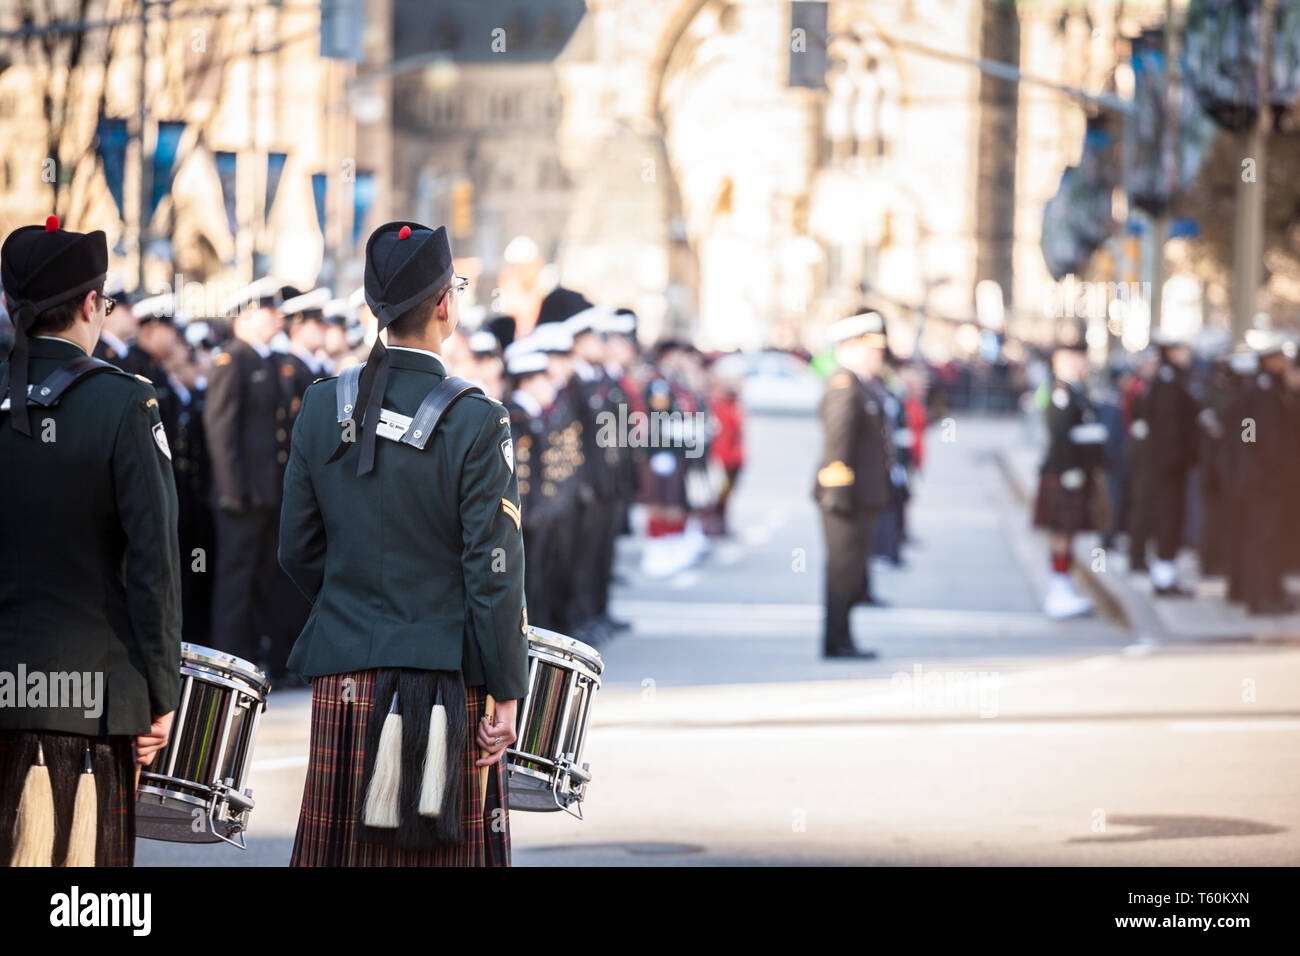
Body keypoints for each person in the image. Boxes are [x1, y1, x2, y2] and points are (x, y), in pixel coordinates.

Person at [279, 221, 528, 866]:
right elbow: (492, 569)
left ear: (372, 307)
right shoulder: (479, 418)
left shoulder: (316, 406)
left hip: (346, 673)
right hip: (448, 680)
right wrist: (505, 683)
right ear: (446, 304)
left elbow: (295, 549)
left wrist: (355, 606)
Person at [0, 217, 181, 866]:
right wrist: (161, 693)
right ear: (87, 304)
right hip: (90, 697)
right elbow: (154, 565)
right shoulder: (123, 404)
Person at [203, 279, 287, 668]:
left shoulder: (265, 359)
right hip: (240, 495)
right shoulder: (232, 359)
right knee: (235, 582)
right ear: (248, 315)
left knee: (259, 578)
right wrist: (232, 489)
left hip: (265, 492)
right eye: (271, 312)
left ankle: (250, 656)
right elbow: (220, 427)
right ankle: (229, 660)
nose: (279, 318)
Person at [813, 311, 892, 659]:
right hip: (845, 497)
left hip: (860, 495)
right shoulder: (845, 385)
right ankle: (837, 641)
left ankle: (843, 637)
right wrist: (837, 494)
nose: (878, 356)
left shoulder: (861, 384)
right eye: (871, 349)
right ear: (852, 347)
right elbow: (837, 446)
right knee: (842, 571)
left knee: (852, 570)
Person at [1032, 339, 1105, 619]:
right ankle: (1058, 588)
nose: (1083, 364)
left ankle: (1064, 585)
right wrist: (1068, 471)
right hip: (1065, 475)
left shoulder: (1076, 390)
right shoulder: (1060, 392)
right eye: (1077, 358)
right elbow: (1059, 435)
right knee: (1062, 532)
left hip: (1076, 473)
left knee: (1069, 532)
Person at [1128, 332, 1200, 596]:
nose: (1188, 354)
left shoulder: (1171, 379)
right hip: (1169, 466)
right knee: (1168, 518)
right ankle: (1163, 576)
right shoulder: (1169, 382)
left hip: (1168, 464)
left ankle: (1164, 573)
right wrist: (1179, 460)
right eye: (1183, 348)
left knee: (1170, 517)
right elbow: (1170, 429)